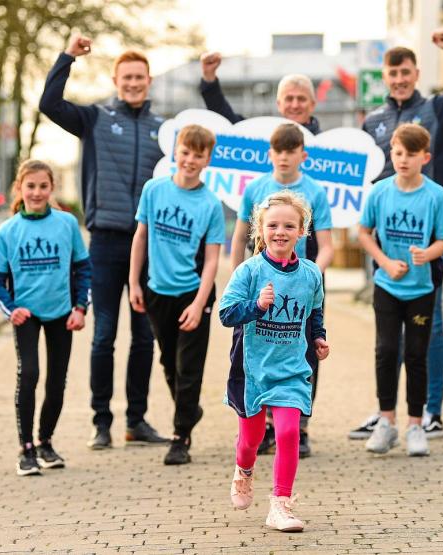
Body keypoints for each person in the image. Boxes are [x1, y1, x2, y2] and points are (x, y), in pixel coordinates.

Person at [351, 27, 443, 442]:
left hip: (428, 233)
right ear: (385, 76)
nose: (399, 79)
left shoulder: (439, 108)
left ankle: (430, 413)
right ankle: (386, 413)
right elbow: (359, 174)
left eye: (406, 72)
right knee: (388, 332)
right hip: (384, 231)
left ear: (415, 73)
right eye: (393, 74)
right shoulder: (371, 121)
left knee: (429, 329)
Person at [39, 36, 169, 449]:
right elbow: (49, 104)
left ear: (149, 81)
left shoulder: (163, 131)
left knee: (145, 336)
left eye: (139, 77)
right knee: (104, 335)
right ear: (116, 80)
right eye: (126, 77)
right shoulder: (94, 119)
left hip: (149, 244)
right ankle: (101, 422)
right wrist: (67, 58)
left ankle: (137, 420)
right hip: (107, 242)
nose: (133, 83)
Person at [220, 190, 329, 532]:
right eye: (273, 225)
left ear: (302, 231)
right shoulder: (248, 272)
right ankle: (244, 472)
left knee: (287, 432)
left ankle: (280, 505)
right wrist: (257, 306)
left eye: (289, 226)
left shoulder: (311, 274)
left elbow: (314, 312)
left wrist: (318, 337)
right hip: (253, 370)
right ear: (260, 230)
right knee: (250, 441)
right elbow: (226, 314)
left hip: (292, 370)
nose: (280, 232)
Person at [229, 123, 333, 458]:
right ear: (270, 154)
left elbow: (327, 246)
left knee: (304, 354)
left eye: (291, 152)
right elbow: (239, 238)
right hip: (260, 292)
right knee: (256, 351)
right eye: (279, 151)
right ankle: (264, 422)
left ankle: (298, 426)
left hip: (301, 289)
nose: (285, 158)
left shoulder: (315, 191)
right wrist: (237, 281)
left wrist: (310, 277)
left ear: (302, 155)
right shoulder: (255, 188)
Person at [0, 160, 91, 476]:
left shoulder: (67, 224)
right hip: (26, 314)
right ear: (19, 188)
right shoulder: (8, 231)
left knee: (57, 381)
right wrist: (10, 308)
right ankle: (26, 448)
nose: (36, 192)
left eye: (43, 186)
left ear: (51, 188)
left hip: (62, 312)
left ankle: (45, 442)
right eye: (30, 186)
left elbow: (83, 268)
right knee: (28, 373)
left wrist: (80, 308)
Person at [128, 124, 225, 465]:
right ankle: (190, 409)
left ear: (208, 159)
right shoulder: (154, 190)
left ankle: (180, 436)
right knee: (169, 361)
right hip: (157, 292)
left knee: (189, 368)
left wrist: (200, 303)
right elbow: (140, 238)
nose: (190, 160)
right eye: (185, 152)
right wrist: (135, 283)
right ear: (175, 152)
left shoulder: (210, 204)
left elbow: (213, 259)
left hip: (192, 294)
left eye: (198, 155)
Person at [359, 124, 443, 457]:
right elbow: (364, 232)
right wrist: (384, 262)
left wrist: (428, 254)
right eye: (397, 153)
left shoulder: (435, 194)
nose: (402, 160)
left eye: (410, 155)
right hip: (386, 285)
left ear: (424, 158)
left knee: (416, 355)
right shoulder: (380, 191)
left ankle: (415, 425)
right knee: (385, 350)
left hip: (421, 289)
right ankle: (386, 422)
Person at [199, 52, 321, 133]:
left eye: (301, 99)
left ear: (312, 104)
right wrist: (209, 78)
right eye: (289, 99)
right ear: (279, 104)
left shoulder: (327, 145)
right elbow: (226, 118)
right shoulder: (264, 135)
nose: (295, 105)